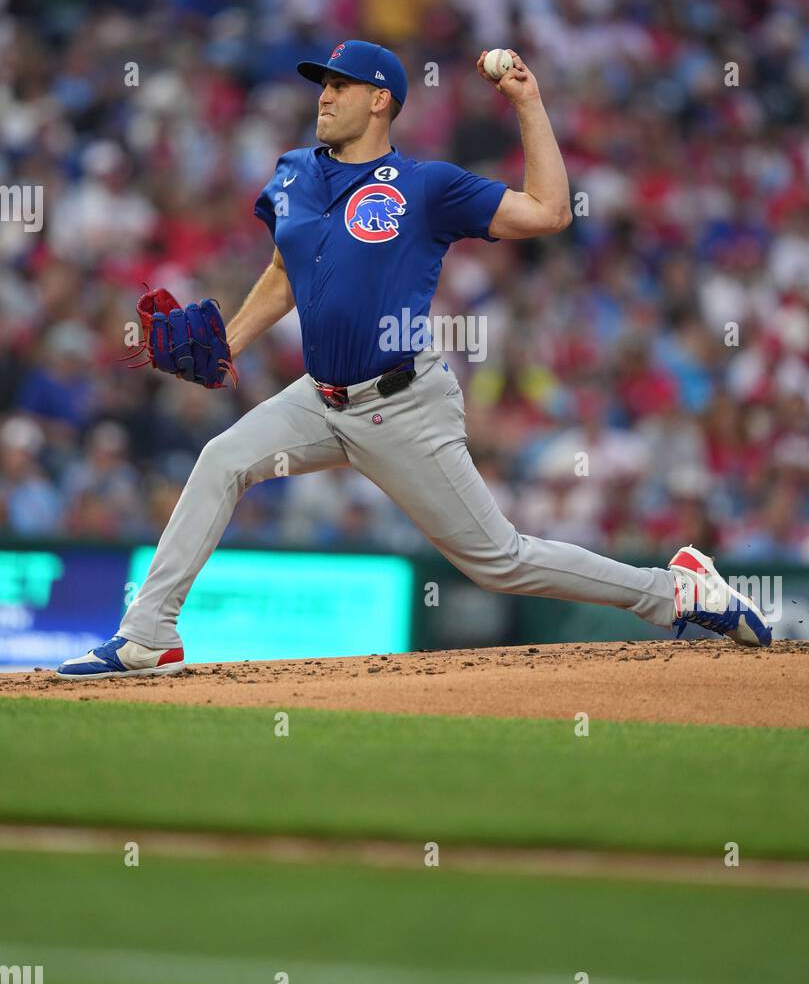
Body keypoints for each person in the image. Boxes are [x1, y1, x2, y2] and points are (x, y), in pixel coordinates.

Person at [57, 40, 771, 678]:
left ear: (380, 100)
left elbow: (549, 212)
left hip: (402, 404)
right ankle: (148, 632)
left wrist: (528, 100)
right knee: (222, 458)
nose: (324, 96)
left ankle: (677, 590)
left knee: (500, 560)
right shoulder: (293, 174)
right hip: (319, 398)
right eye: (321, 83)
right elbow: (283, 274)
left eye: (338, 85)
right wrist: (228, 347)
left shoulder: (427, 187)